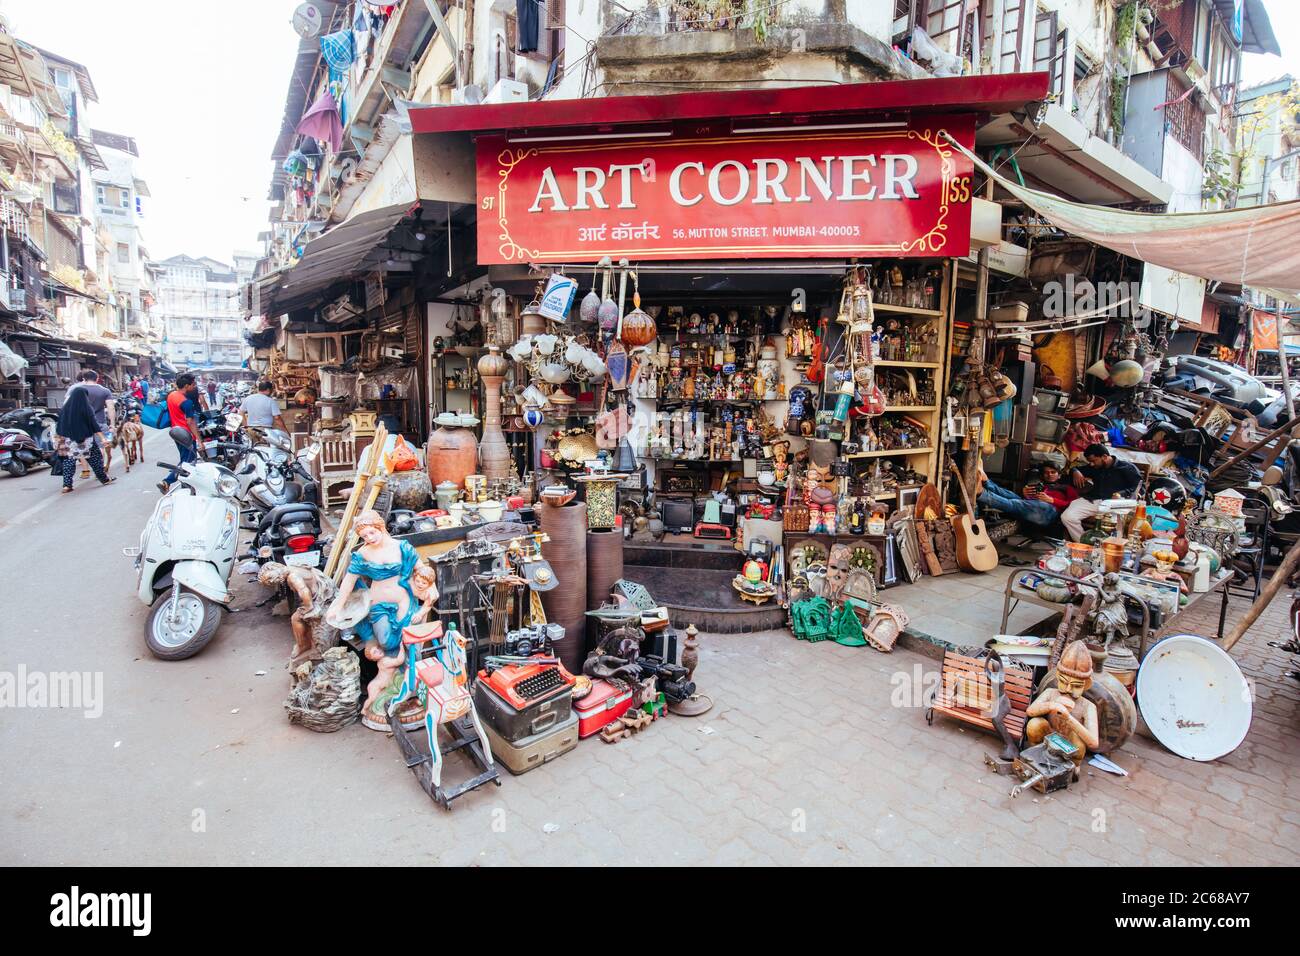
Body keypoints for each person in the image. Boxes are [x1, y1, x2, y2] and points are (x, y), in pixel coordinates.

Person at [1060, 443, 1142, 541]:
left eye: (1093, 461)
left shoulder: (1127, 468)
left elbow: (1139, 487)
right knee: (1067, 517)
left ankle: (1110, 547)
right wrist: (1075, 471)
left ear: (1104, 457)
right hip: (1095, 500)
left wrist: (1121, 494)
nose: (1091, 464)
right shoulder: (1094, 467)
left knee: (1118, 524)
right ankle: (1084, 543)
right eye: (1090, 462)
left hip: (1117, 504)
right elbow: (1076, 468)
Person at [977, 464, 1079, 528]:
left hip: (1049, 513)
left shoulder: (1066, 488)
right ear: (1042, 475)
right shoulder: (1040, 486)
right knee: (1011, 495)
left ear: (1059, 475)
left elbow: (1073, 505)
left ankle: (981, 493)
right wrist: (1025, 494)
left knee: (1015, 503)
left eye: (1053, 472)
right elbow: (1029, 503)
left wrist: (1052, 500)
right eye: (1046, 473)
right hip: (1034, 509)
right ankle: (986, 482)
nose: (1050, 475)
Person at [55, 385, 113, 493]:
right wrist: (102, 438)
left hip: (69, 440)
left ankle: (67, 486)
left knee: (68, 463)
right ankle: (104, 479)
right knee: (96, 460)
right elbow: (93, 424)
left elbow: (59, 425)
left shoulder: (65, 408)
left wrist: (60, 438)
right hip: (86, 440)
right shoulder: (86, 407)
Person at [159, 373, 204, 493]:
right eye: (193, 384)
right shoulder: (186, 402)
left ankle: (185, 484)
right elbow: (190, 422)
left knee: (185, 459)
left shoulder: (171, 395)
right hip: (186, 434)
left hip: (175, 432)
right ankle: (167, 481)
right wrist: (199, 440)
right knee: (188, 462)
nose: (194, 386)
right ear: (186, 385)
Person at [69, 370, 116, 478]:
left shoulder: (77, 390)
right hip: (99, 422)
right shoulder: (105, 391)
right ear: (97, 378)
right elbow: (111, 407)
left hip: (82, 423)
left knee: (82, 447)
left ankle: (86, 470)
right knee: (101, 446)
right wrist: (112, 424)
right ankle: (100, 470)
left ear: (84, 379)